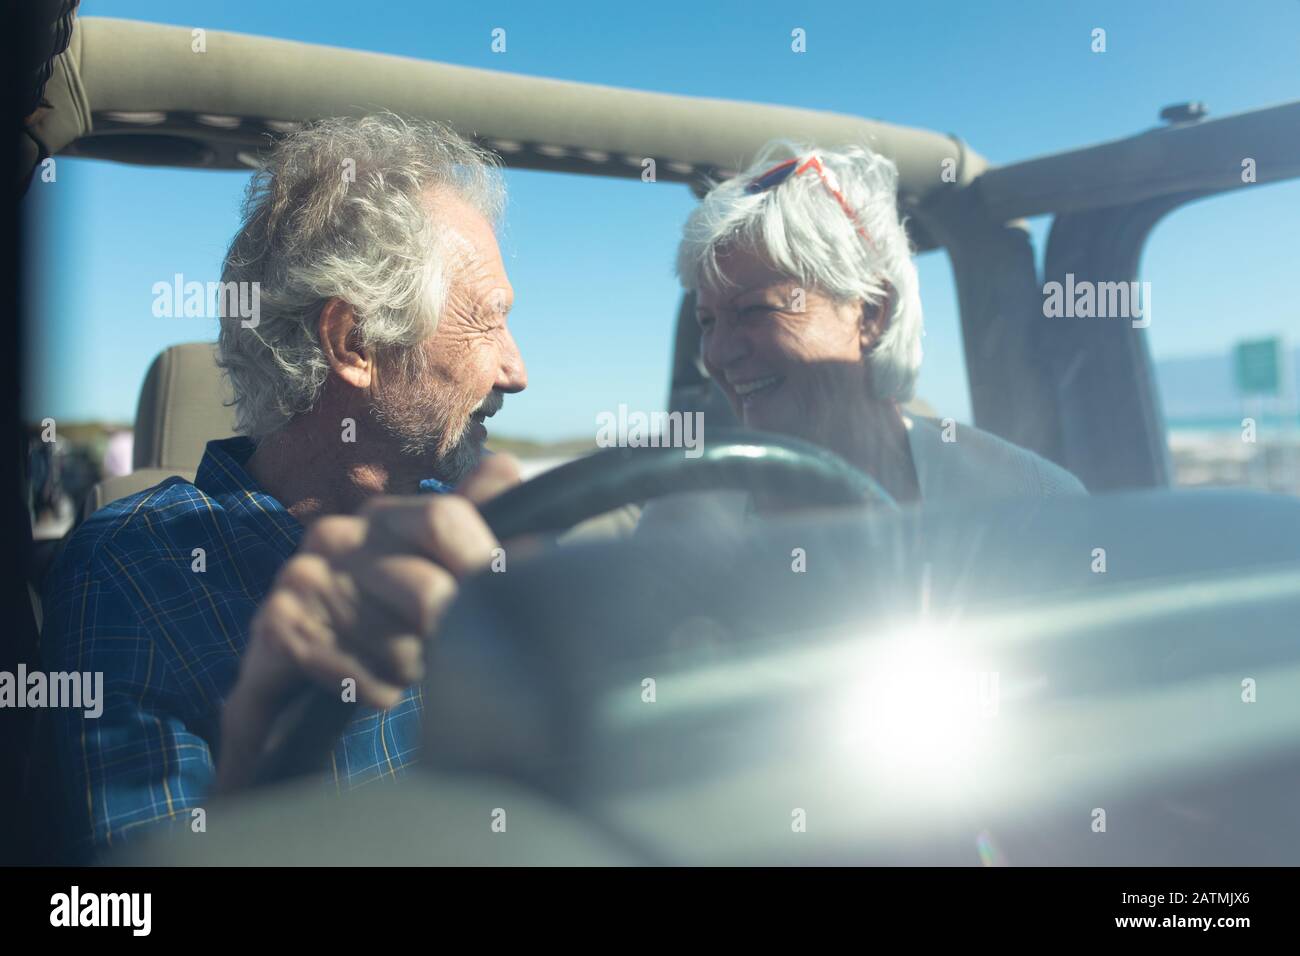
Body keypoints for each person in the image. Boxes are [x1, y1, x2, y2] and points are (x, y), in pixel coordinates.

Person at [41, 114, 526, 854]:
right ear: (353, 343)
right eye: (489, 323)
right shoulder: (136, 570)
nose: (517, 372)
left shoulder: (468, 536)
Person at [642, 141, 1083, 528]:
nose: (718, 353)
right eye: (707, 322)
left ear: (871, 313)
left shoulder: (1030, 502)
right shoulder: (682, 520)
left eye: (755, 309)